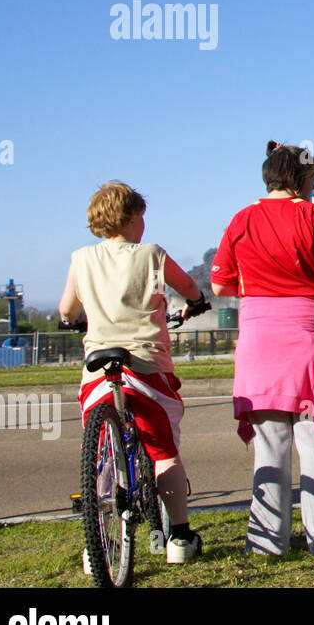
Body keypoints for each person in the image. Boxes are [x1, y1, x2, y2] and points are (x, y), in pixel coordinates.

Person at [211, 141, 314, 555]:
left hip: (259, 343)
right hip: (307, 338)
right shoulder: (313, 216)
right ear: (300, 178)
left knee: (269, 444)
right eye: (312, 179)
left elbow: (221, 284)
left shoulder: (242, 218)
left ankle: (266, 541)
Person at [59, 181, 206, 564]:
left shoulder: (81, 258)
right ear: (132, 217)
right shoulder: (151, 255)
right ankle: (178, 538)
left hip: (99, 369)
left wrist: (76, 321)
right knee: (163, 453)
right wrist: (195, 302)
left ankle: (98, 547)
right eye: (142, 216)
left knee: (101, 452)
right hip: (145, 365)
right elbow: (188, 287)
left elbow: (66, 311)